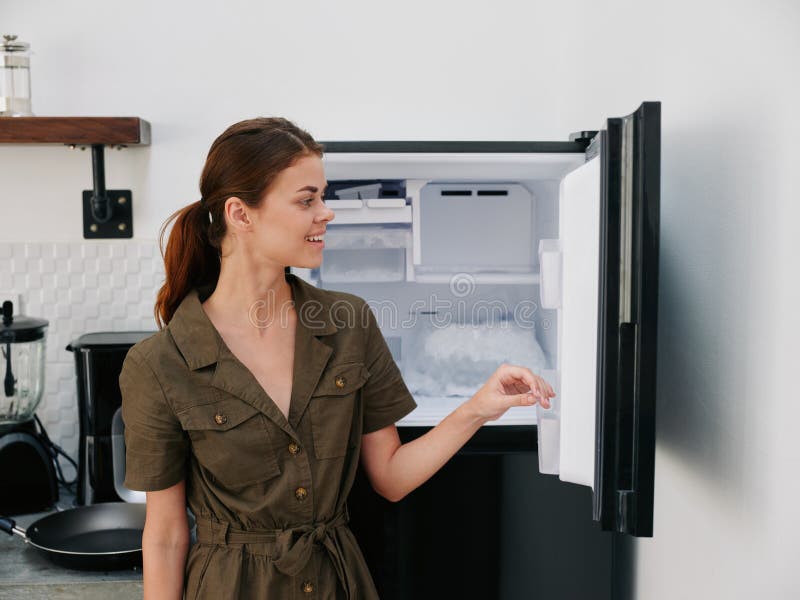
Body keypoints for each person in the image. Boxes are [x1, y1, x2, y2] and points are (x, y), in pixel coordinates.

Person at [119, 117, 555, 600]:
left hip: (336, 583)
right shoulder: (159, 364)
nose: (326, 213)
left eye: (322, 198)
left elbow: (390, 477)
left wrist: (479, 407)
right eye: (307, 200)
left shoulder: (349, 323)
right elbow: (164, 535)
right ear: (241, 214)